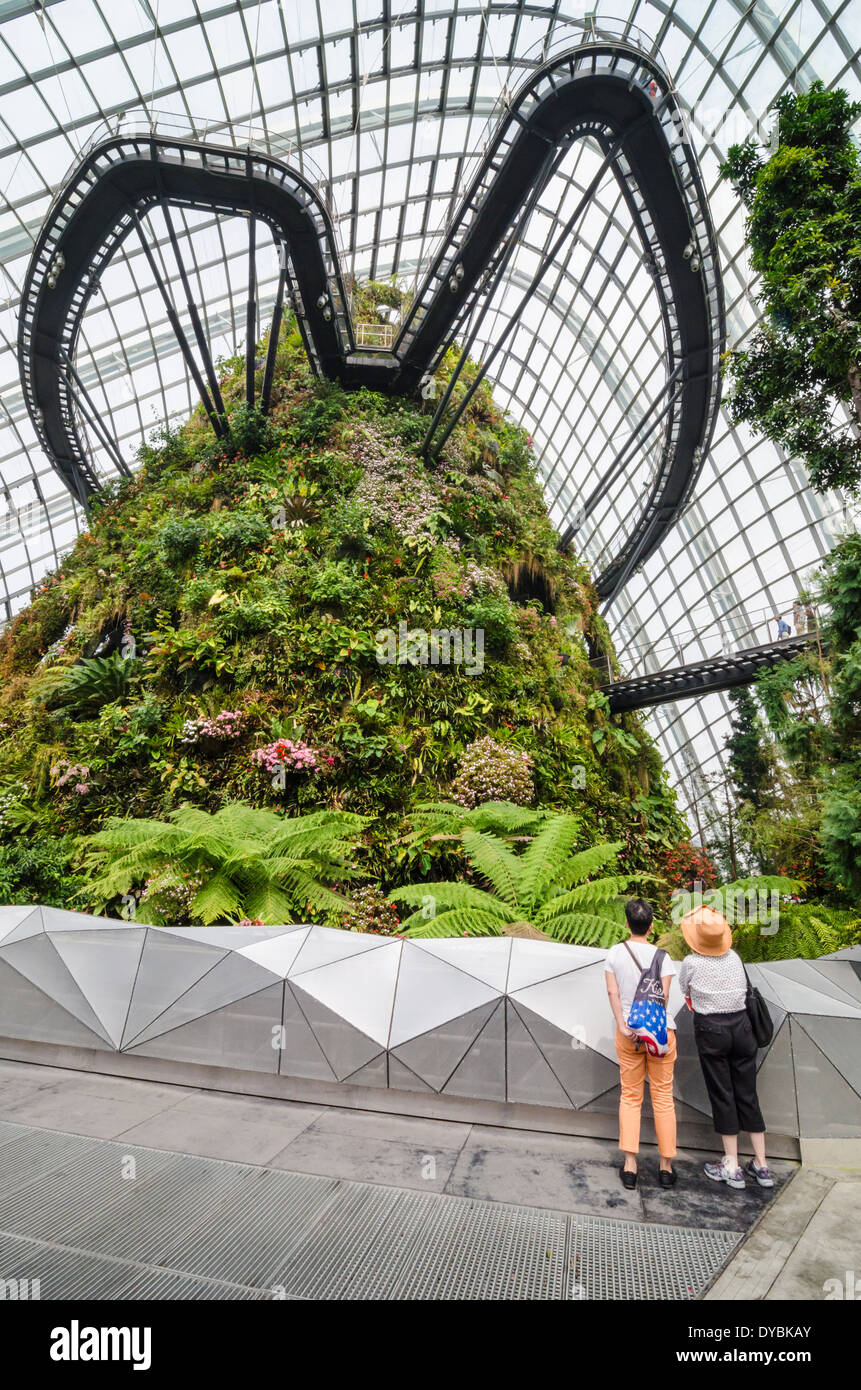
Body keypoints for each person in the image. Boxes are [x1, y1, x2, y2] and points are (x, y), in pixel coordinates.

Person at [678, 906, 773, 1190]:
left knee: (723, 1094)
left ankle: (731, 1165)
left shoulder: (691, 963)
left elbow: (686, 993)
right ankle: (762, 1164)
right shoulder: (734, 957)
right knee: (748, 1095)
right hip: (743, 1030)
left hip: (712, 1032)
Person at [605, 899, 678, 1189]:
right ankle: (666, 1167)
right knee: (663, 1097)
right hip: (661, 1036)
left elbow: (612, 993)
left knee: (631, 1097)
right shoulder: (664, 957)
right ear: (651, 926)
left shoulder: (614, 954)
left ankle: (630, 1165)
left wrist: (624, 1025)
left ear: (626, 924)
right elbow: (663, 1001)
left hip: (629, 1035)